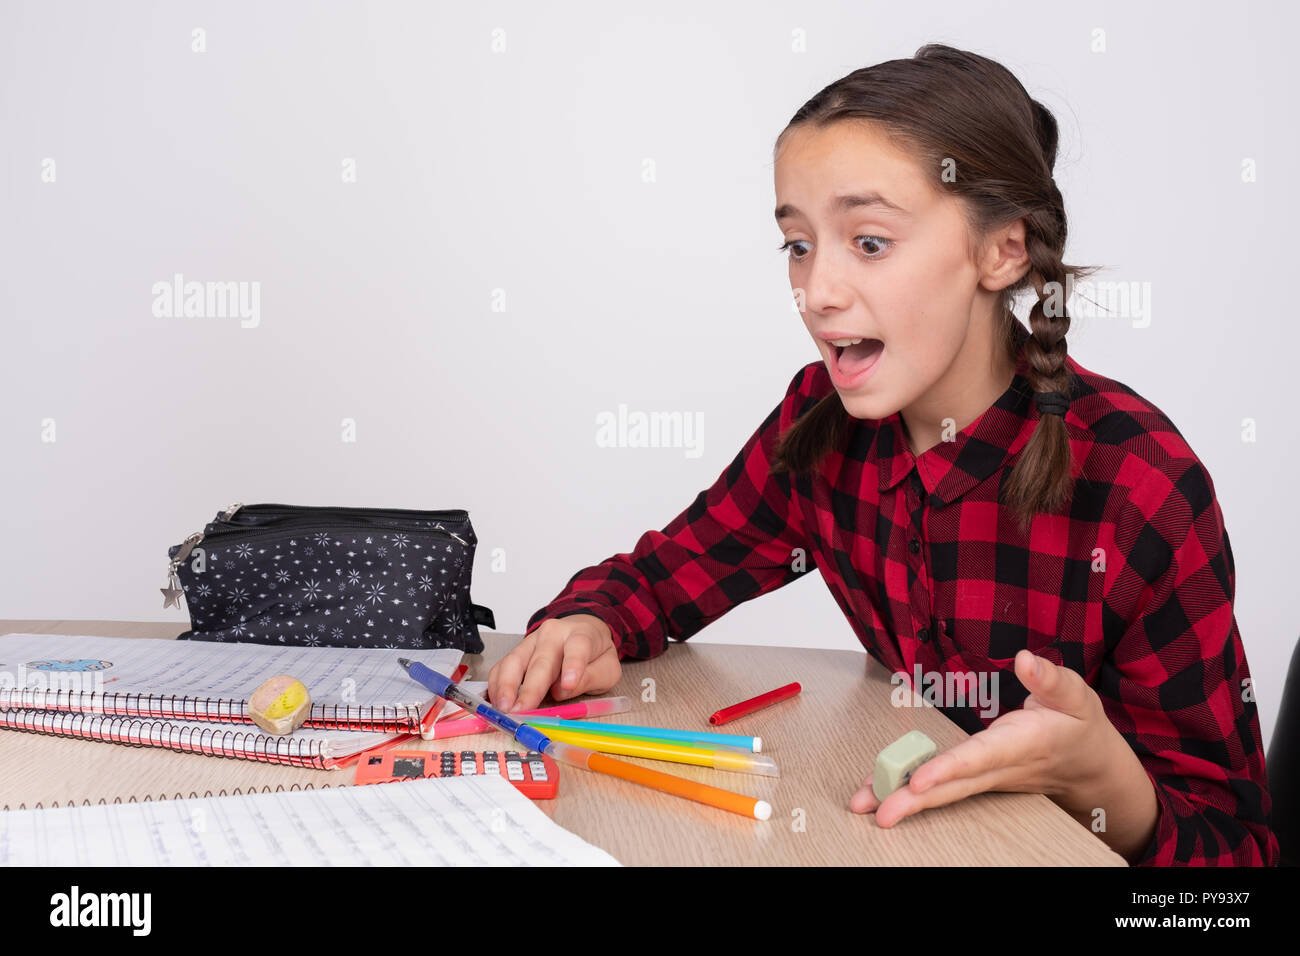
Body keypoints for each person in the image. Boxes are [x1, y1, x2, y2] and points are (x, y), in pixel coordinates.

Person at [487, 44, 1278, 866]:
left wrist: (1105, 782)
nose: (818, 290)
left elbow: (1236, 866)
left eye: (868, 242)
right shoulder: (822, 425)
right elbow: (667, 576)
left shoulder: (1140, 485)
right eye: (798, 245)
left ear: (1002, 250)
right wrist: (590, 620)